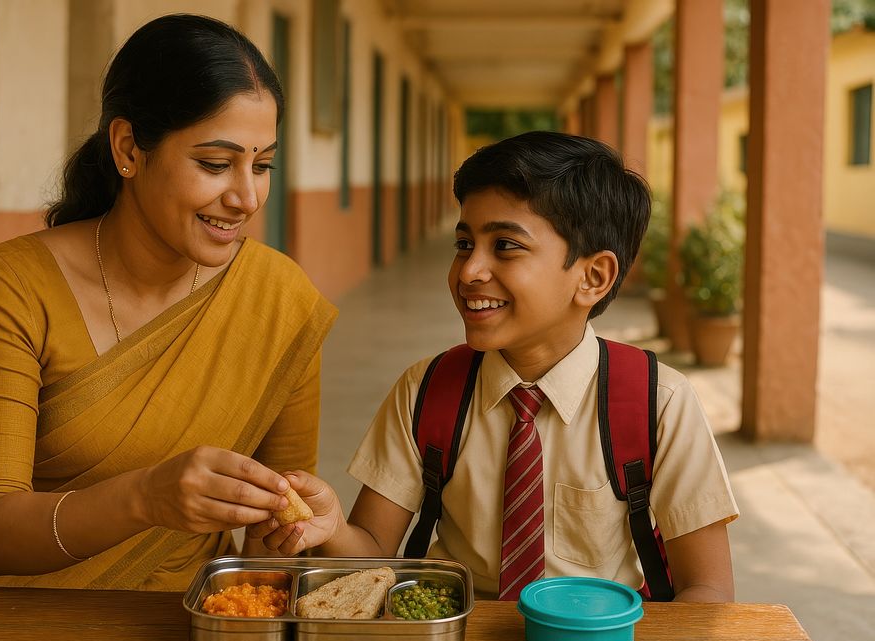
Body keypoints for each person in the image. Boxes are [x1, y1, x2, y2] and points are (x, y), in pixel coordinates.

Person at [0, 14, 336, 591]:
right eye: (215, 164)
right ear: (128, 148)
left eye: (262, 165)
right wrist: (144, 498)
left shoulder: (281, 300)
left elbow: (276, 538)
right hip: (8, 617)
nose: (246, 196)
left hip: (186, 620)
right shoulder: (16, 283)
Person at [251, 132, 739, 602]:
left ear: (593, 277)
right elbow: (374, 551)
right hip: (458, 637)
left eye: (505, 246)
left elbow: (708, 589)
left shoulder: (657, 404)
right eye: (464, 244)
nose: (469, 271)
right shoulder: (428, 389)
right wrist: (333, 526)